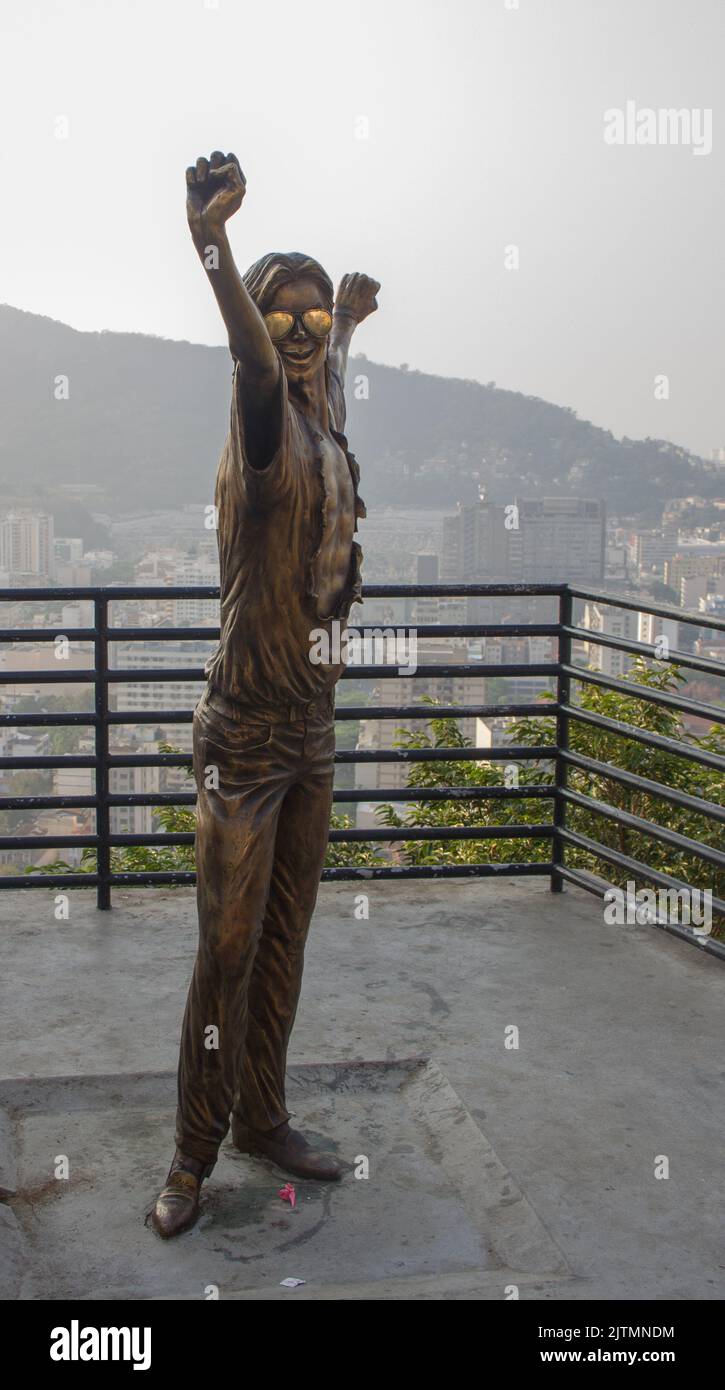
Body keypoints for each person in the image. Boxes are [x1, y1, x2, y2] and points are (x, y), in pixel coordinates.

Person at [150, 152, 380, 1237]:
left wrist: (351, 326)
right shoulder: (260, 425)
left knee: (285, 937)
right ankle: (191, 1152)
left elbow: (320, 371)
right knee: (227, 950)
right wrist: (212, 243)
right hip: (243, 738)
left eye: (312, 314)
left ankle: (262, 1117)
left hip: (311, 732)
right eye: (281, 314)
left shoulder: (320, 414)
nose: (298, 331)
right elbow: (257, 360)